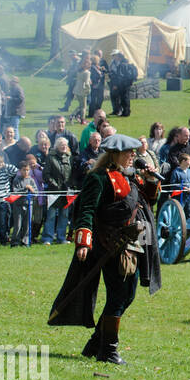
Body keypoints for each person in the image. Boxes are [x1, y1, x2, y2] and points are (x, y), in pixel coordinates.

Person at [47, 134, 162, 365]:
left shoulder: (130, 177)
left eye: (133, 152)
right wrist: (83, 241)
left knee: (127, 295)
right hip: (109, 245)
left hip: (132, 243)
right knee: (119, 296)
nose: (133, 156)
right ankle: (108, 350)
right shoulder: (98, 178)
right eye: (129, 152)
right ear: (115, 154)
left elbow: (148, 201)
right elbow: (86, 210)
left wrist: (150, 180)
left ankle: (95, 343)